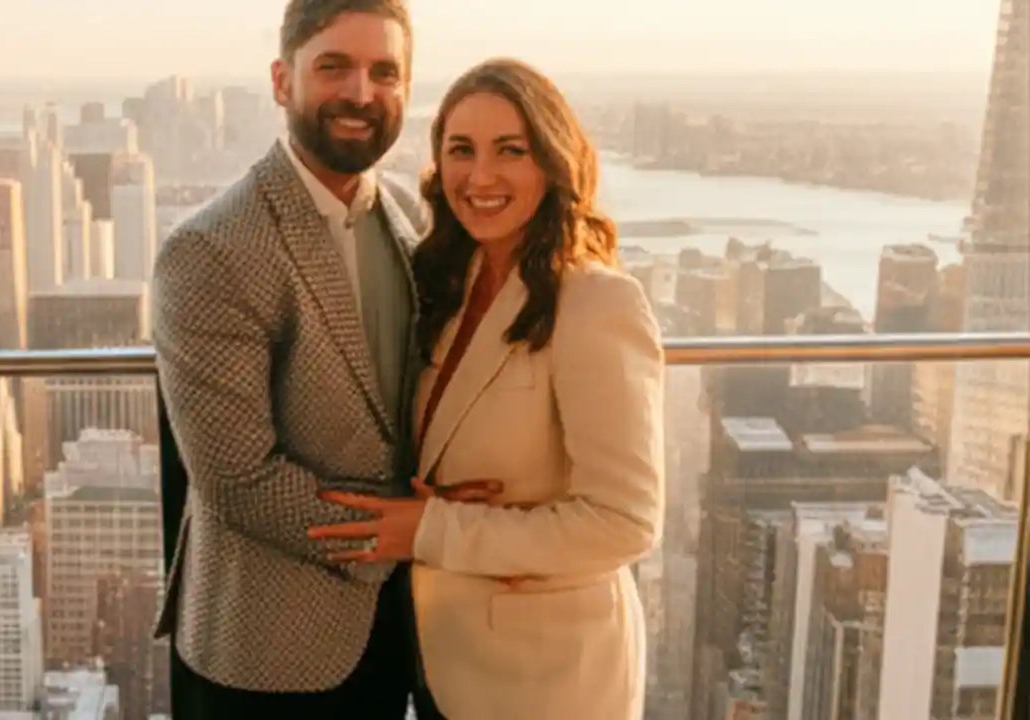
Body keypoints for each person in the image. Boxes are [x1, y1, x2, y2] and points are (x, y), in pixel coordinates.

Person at [150, 1, 493, 717]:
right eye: (334, 67)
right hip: (265, 654)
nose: (361, 94)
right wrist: (402, 535)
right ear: (283, 81)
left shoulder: (410, 218)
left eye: (384, 72)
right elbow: (238, 477)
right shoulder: (211, 249)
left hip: (395, 638)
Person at [309, 58, 666, 718]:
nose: (481, 177)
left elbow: (624, 523)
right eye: (460, 151)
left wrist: (434, 527)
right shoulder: (445, 281)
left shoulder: (595, 303)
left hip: (552, 677)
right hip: (448, 662)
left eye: (511, 151)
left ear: (553, 163)